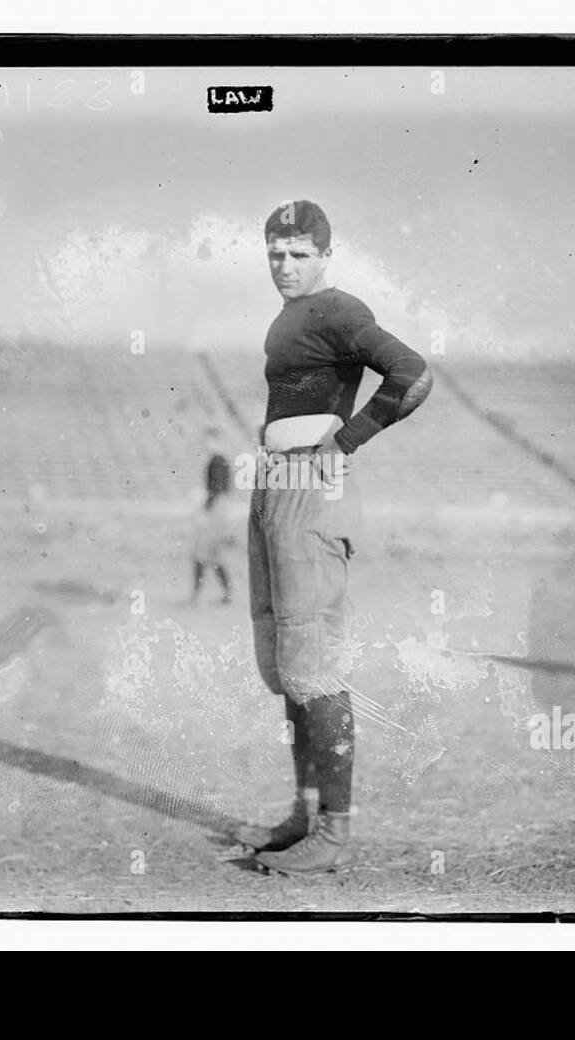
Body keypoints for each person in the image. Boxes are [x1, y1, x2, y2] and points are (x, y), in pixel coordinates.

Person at [236, 199, 433, 875]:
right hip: (273, 487)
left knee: (314, 667)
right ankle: (305, 812)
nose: (285, 266)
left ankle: (334, 832)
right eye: (275, 253)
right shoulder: (288, 318)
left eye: (298, 253)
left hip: (310, 497)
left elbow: (412, 374)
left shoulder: (340, 309)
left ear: (325, 254)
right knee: (287, 666)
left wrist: (346, 442)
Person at [188, 427, 235, 606]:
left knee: (201, 552)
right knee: (214, 554)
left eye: (207, 440)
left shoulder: (217, 460)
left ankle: (197, 595)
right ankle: (226, 592)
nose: (204, 444)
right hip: (220, 508)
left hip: (216, 509)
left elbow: (215, 490)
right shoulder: (221, 460)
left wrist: (205, 511)